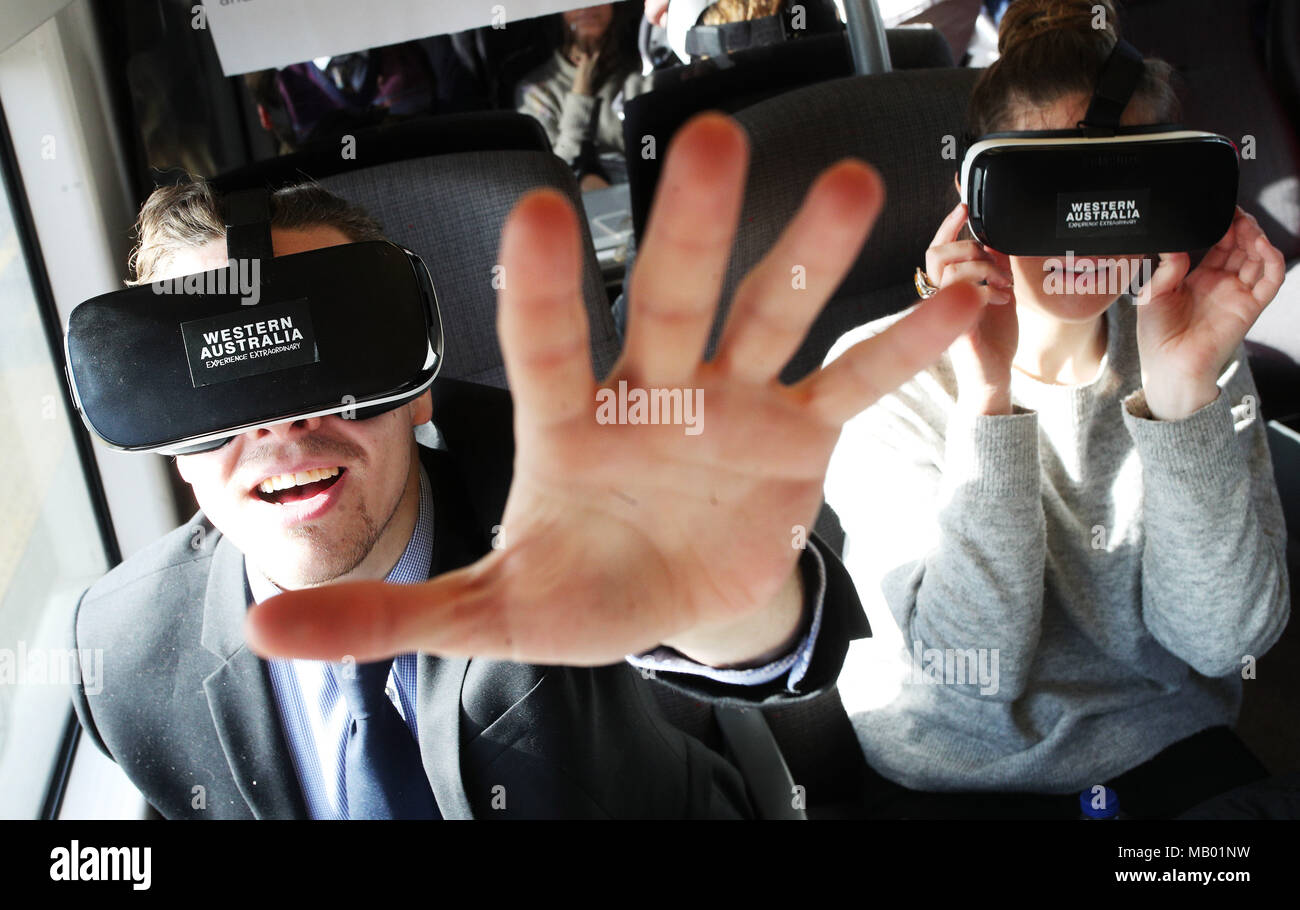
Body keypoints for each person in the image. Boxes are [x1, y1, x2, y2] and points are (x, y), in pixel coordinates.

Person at [69, 112, 987, 819]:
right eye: (223, 394)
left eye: (339, 373)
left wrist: (725, 600)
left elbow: (769, 642)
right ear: (172, 448)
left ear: (421, 387)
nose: (288, 425)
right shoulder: (122, 652)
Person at [824, 0, 1290, 819]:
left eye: (1118, 194)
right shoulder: (881, 375)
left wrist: (1182, 396)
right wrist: (986, 398)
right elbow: (973, 667)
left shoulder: (1190, 352)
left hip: (1162, 750)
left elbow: (1224, 643)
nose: (1084, 243)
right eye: (1047, 194)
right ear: (975, 200)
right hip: (955, 766)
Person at [515, 3, 644, 189]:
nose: (587, 5)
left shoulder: (638, 74)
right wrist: (580, 91)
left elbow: (651, 155)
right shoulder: (535, 91)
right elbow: (556, 170)